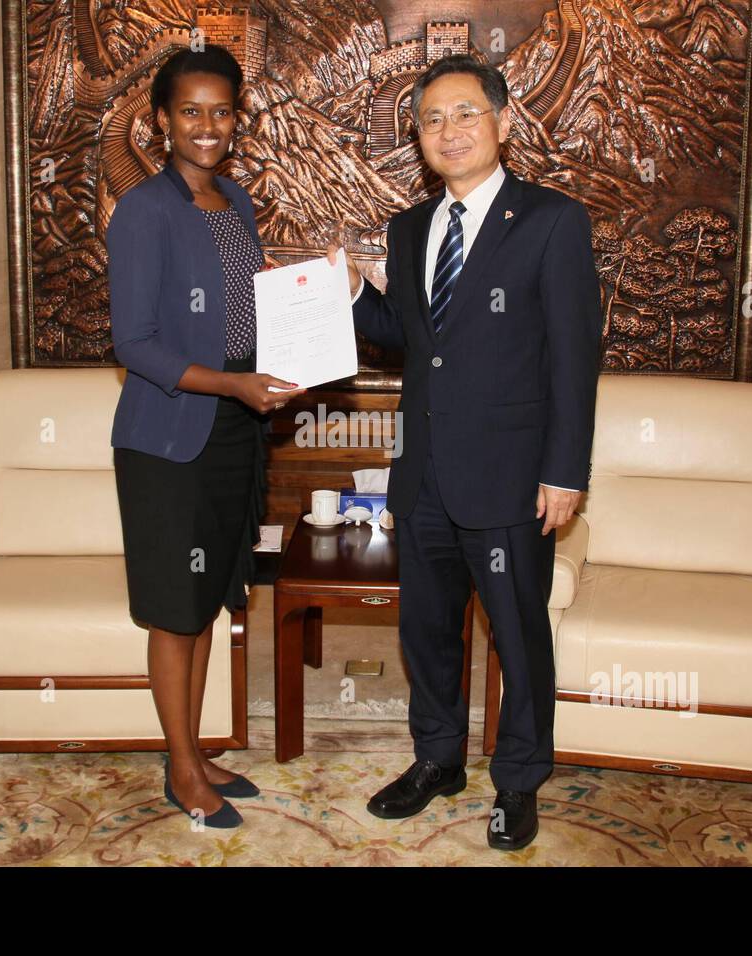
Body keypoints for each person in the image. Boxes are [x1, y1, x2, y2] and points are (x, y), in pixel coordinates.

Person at [328, 55, 603, 849]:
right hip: (423, 477)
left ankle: (518, 780)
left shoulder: (552, 221)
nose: (449, 131)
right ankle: (437, 759)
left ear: (504, 122)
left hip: (514, 480)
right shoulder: (410, 228)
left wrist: (564, 471)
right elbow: (406, 342)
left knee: (518, 635)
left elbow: (573, 357)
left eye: (465, 114)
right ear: (418, 137)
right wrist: (352, 296)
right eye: (432, 120)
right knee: (426, 631)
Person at [105, 45, 304, 829]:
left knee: (211, 598)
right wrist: (232, 383)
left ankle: (190, 749)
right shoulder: (144, 212)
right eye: (190, 111)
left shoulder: (239, 202)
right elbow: (137, 344)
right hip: (166, 438)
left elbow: (241, 311)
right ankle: (182, 767)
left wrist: (296, 331)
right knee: (173, 608)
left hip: (233, 432)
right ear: (161, 121)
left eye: (222, 110)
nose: (208, 126)